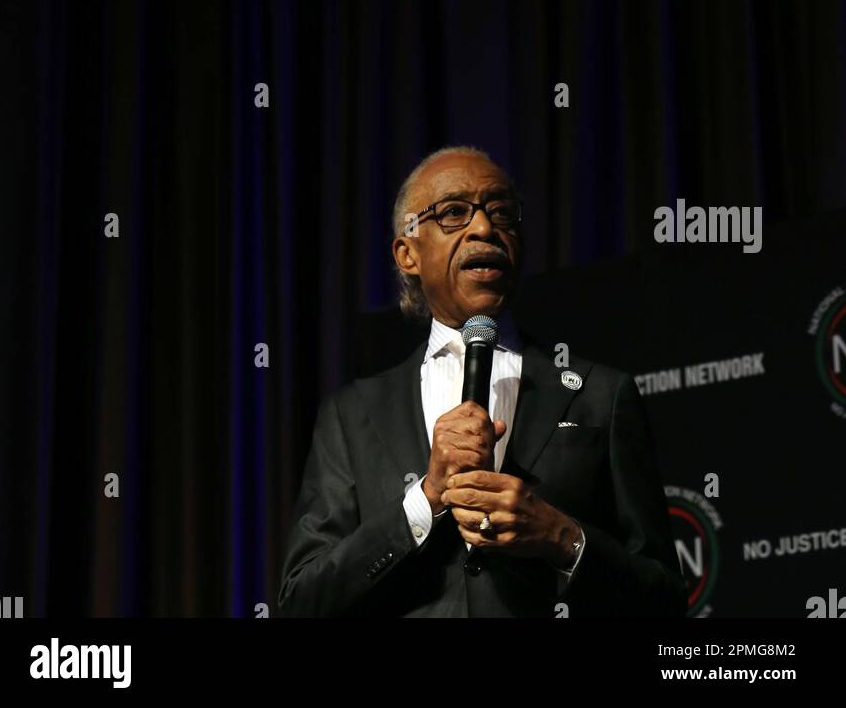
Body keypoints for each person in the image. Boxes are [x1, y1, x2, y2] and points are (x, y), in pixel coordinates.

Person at [276, 145, 687, 617]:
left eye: (502, 212)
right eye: (454, 212)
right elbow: (301, 603)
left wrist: (559, 537)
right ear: (408, 252)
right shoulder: (352, 415)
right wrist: (424, 500)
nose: (485, 228)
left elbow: (665, 600)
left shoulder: (601, 395)